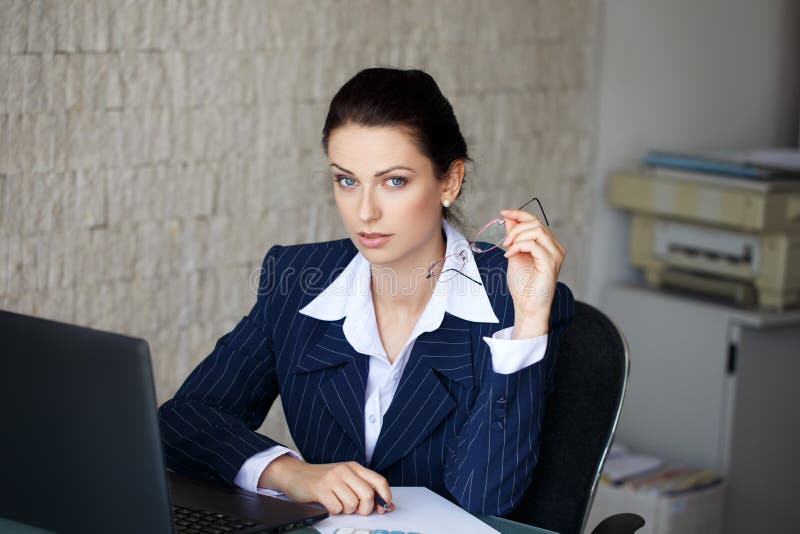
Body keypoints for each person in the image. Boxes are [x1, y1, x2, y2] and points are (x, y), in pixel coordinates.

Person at [158, 67, 574, 518]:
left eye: (394, 181)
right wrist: (290, 472)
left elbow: (484, 499)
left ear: (449, 181)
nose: (365, 211)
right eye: (347, 180)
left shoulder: (510, 300)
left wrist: (528, 322)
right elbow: (181, 422)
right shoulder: (297, 280)